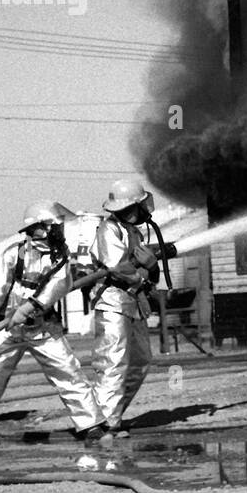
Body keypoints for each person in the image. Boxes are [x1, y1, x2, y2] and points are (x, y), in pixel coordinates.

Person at [0, 201, 105, 450]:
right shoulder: (14, 254)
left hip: (44, 328)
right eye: (53, 226)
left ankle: (92, 426)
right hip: (7, 329)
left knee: (69, 373)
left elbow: (58, 286)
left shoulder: (61, 256)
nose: (58, 230)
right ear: (39, 228)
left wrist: (30, 307)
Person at [90, 178, 161, 435]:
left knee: (141, 362)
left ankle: (112, 415)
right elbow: (117, 267)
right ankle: (104, 424)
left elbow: (144, 270)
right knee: (113, 362)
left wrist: (152, 267)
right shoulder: (108, 229)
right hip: (112, 303)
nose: (145, 210)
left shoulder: (135, 232)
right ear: (134, 206)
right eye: (142, 204)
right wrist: (143, 274)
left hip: (134, 302)